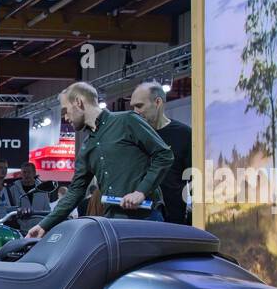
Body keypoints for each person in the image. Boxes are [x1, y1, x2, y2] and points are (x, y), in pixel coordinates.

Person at [27, 81, 173, 238]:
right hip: (113, 224)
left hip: (146, 218)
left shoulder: (127, 121)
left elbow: (164, 155)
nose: (65, 117)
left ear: (78, 102)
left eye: (65, 111)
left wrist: (141, 192)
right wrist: (44, 224)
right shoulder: (86, 147)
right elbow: (75, 191)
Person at [130, 81, 192, 224]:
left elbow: (194, 177)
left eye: (139, 106)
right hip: (136, 220)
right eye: (133, 107)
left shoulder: (184, 134)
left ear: (157, 102)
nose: (135, 112)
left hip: (173, 221)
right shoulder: (131, 136)